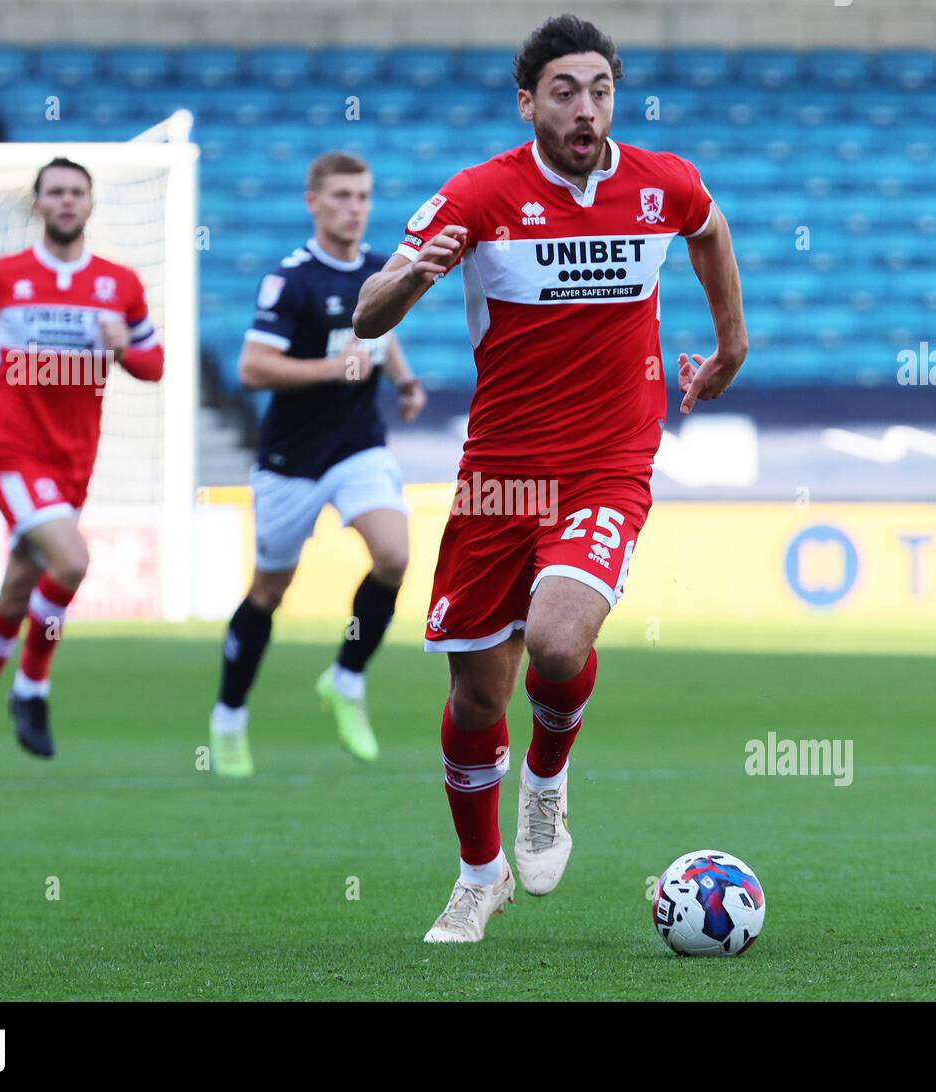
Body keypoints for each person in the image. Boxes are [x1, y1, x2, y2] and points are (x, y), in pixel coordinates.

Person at [353, 16, 749, 941]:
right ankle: (478, 874)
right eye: (565, 91)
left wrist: (732, 344)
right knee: (476, 697)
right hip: (499, 478)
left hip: (610, 463)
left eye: (600, 89)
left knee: (560, 643)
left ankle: (547, 782)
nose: (586, 108)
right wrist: (415, 276)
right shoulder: (480, 194)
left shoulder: (661, 183)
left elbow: (711, 228)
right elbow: (371, 315)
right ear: (527, 101)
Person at [0, 157, 164, 783]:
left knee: (15, 592)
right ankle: (31, 685)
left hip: (72, 459)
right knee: (73, 561)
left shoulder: (119, 284)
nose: (65, 202)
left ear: (90, 205)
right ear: (37, 205)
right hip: (8, 447)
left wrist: (125, 346)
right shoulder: (0, 275)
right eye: (54, 192)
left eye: (76, 193)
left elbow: (156, 364)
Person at [209, 152, 426, 776]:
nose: (353, 207)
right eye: (340, 196)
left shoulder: (381, 269)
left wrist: (405, 381)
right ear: (313, 202)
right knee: (269, 590)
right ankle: (229, 716)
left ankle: (347, 678)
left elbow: (383, 333)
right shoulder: (292, 279)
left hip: (359, 445)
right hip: (292, 459)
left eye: (362, 196)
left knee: (394, 556)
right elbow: (252, 369)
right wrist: (335, 369)